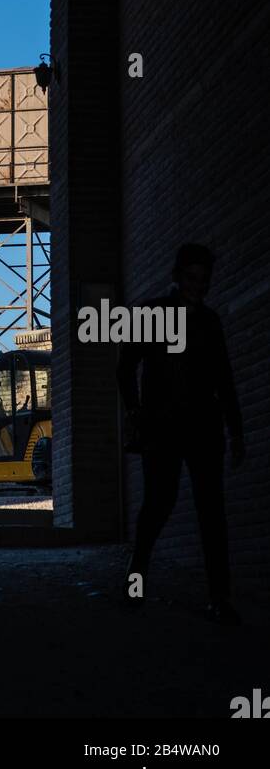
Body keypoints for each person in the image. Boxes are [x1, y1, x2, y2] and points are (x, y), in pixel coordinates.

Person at [116, 243, 245, 624]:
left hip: (203, 428)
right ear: (178, 276)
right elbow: (125, 368)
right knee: (158, 505)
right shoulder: (153, 313)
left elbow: (225, 379)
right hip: (164, 428)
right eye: (192, 278)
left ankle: (219, 598)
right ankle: (135, 581)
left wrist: (235, 431)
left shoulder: (209, 321)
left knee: (211, 512)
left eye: (203, 281)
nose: (198, 286)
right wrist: (137, 410)